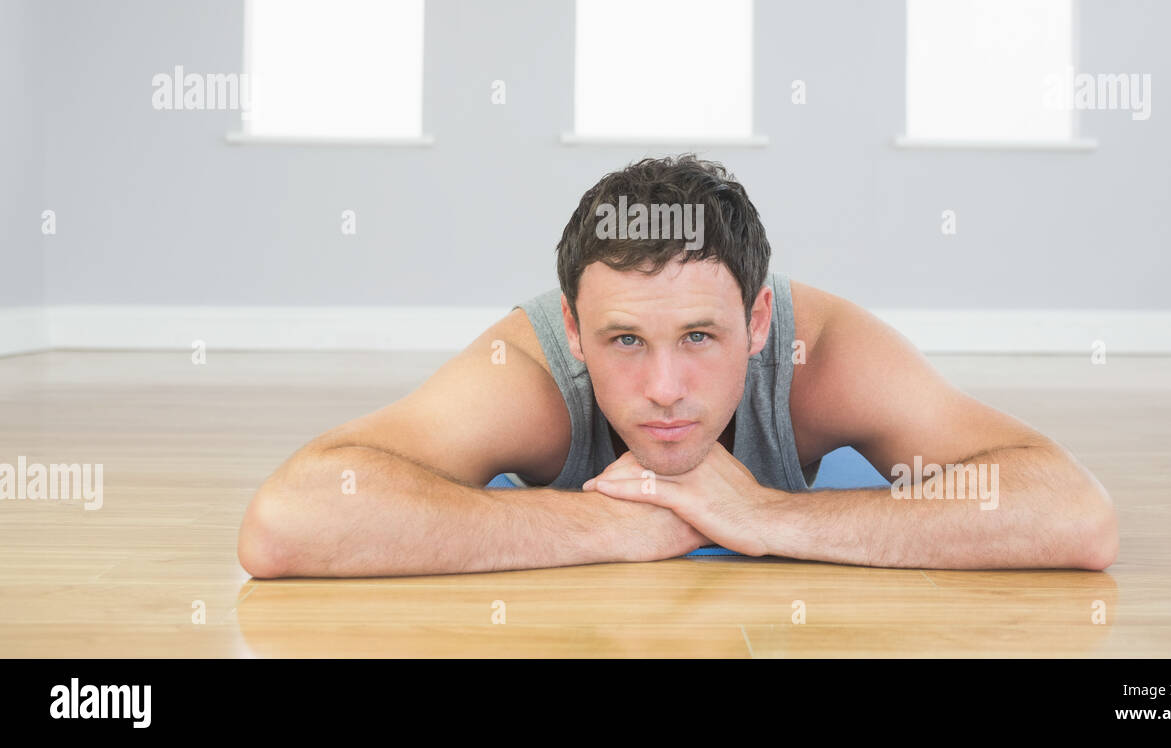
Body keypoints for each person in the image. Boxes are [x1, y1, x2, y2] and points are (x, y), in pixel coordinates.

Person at [237, 153, 1117, 577]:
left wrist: (769, 516)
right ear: (577, 336)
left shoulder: (828, 352)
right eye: (624, 342)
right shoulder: (531, 369)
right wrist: (613, 529)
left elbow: (1074, 515)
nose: (663, 388)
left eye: (700, 336)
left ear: (759, 319)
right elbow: (287, 522)